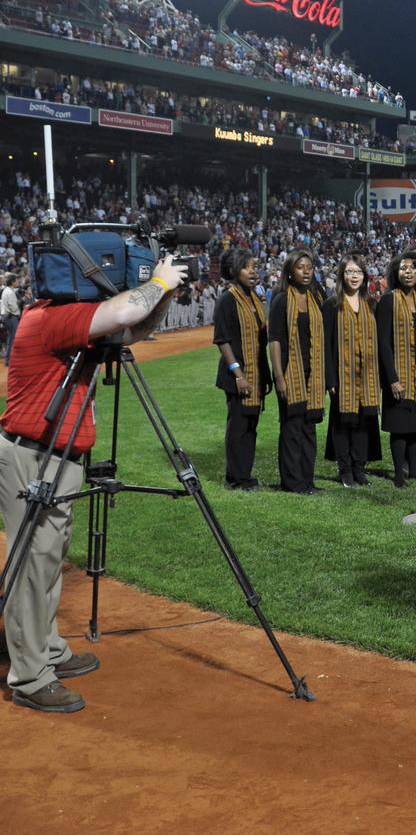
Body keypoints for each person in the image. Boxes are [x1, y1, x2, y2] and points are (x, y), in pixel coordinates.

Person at [1, 253, 187, 712]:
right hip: (33, 455)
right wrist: (158, 281)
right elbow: (124, 311)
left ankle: (46, 650)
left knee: (49, 560)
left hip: (56, 456)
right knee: (32, 567)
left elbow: (130, 332)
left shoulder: (62, 318)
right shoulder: (51, 317)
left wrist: (163, 298)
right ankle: (28, 676)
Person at [269, 248, 325, 494]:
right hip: (290, 373)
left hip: (313, 374)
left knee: (309, 429)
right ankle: (292, 483)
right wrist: (279, 376)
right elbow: (275, 340)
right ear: (290, 272)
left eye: (309, 267)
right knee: (292, 429)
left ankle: (308, 480)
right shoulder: (282, 299)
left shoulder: (316, 297)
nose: (306, 271)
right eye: (300, 267)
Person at [213, 248, 270, 491]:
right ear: (235, 271)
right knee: (238, 428)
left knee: (250, 427)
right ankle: (234, 478)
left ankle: (245, 475)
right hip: (237, 375)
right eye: (247, 267)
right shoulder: (228, 299)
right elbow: (222, 340)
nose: (253, 271)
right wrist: (238, 374)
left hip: (255, 373)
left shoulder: (254, 297)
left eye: (254, 266)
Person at [322, 255, 381, 488]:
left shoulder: (371, 304)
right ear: (341, 275)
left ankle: (359, 467)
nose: (354, 276)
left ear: (364, 276)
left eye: (358, 272)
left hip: (367, 375)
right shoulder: (331, 305)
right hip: (341, 375)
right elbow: (325, 345)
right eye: (349, 272)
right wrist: (329, 378)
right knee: (343, 423)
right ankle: (345, 469)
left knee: (363, 423)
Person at [378, 252, 416, 488]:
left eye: (413, 268)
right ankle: (399, 475)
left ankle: (413, 469)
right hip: (399, 374)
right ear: (396, 273)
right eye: (403, 268)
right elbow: (383, 342)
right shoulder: (388, 300)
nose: (408, 272)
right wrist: (392, 378)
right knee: (400, 427)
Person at [1, 271, 21, 365]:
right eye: (16, 280)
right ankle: (9, 360)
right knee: (12, 339)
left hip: (7, 317)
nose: (18, 281)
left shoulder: (7, 290)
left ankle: (9, 360)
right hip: (11, 317)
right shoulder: (9, 292)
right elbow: (13, 307)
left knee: (11, 339)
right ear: (12, 281)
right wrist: (19, 308)